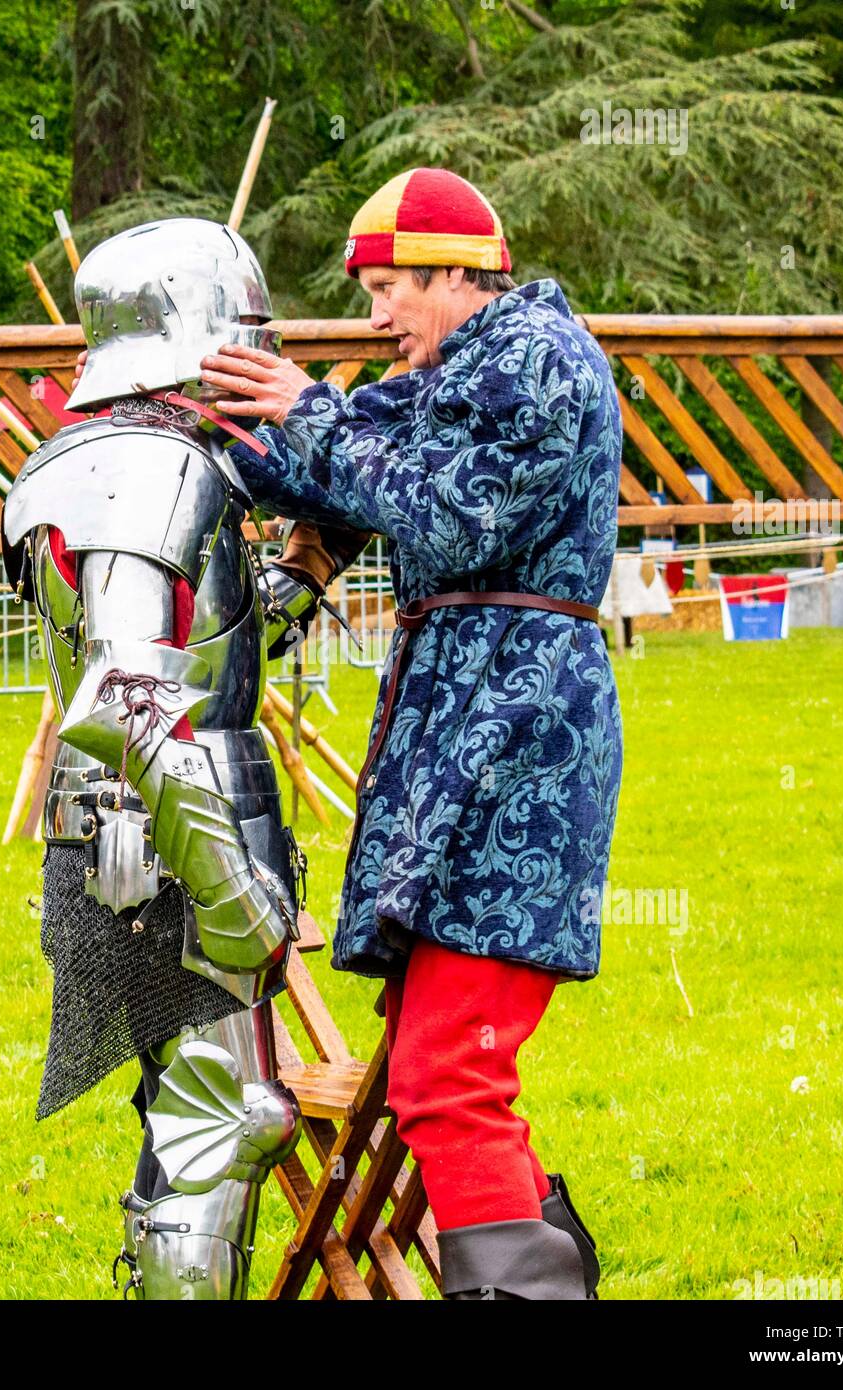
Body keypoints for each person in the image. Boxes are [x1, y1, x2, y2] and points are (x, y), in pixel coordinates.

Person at [197, 167, 625, 1300]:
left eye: (390, 288)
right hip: (459, 729)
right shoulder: (450, 370)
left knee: (446, 1072)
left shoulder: (536, 361)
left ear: (458, 273)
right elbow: (320, 466)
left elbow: (441, 508)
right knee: (442, 1060)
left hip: (522, 735)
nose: (376, 315)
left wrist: (301, 407)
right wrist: (187, 424)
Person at [3, 217, 367, 1299]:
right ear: (194, 332)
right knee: (221, 1122)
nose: (261, 355)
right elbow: (127, 691)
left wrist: (300, 573)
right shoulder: (149, 463)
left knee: (200, 1115)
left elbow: (200, 647)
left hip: (136, 825)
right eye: (245, 332)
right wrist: (225, 883)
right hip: (167, 836)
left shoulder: (101, 456)